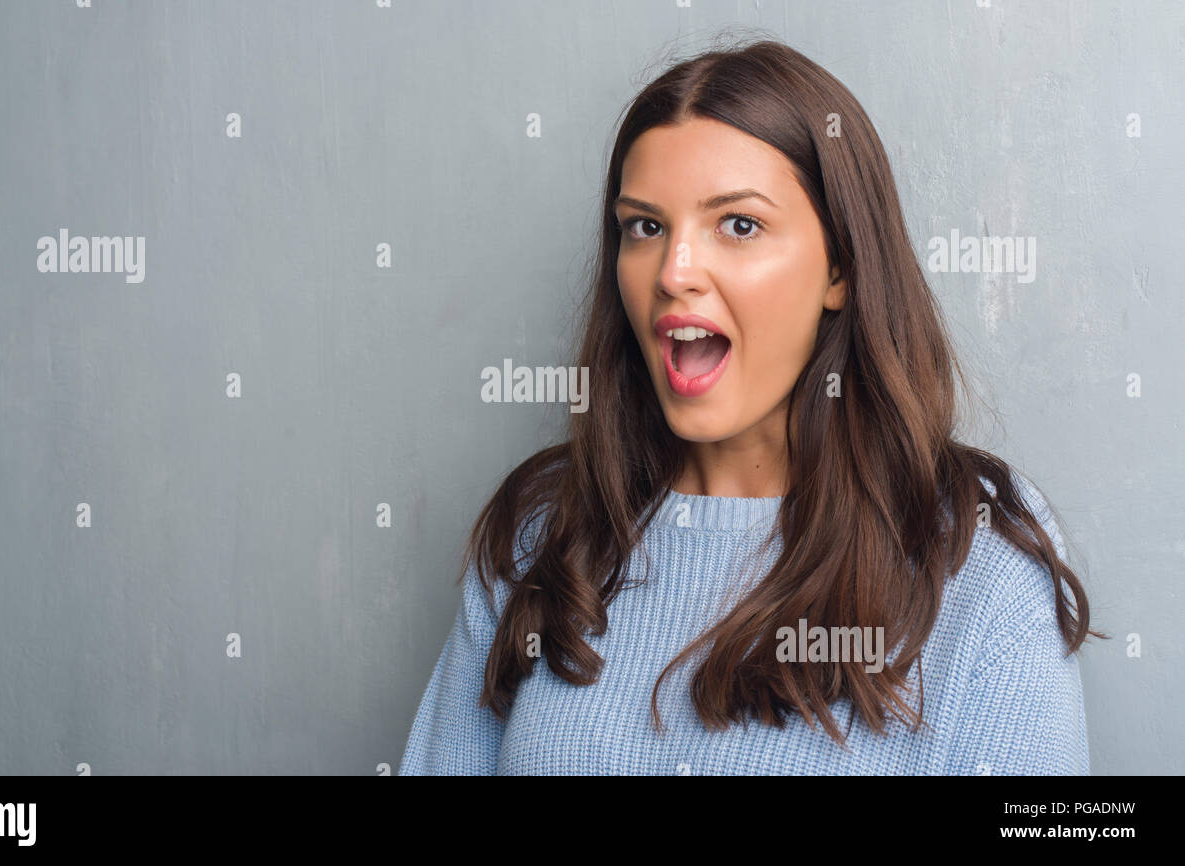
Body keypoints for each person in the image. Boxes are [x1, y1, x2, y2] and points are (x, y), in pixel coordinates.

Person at [399, 37, 1100, 775]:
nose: (674, 272)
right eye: (645, 226)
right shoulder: (541, 534)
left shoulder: (977, 557)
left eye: (738, 225)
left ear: (840, 267)